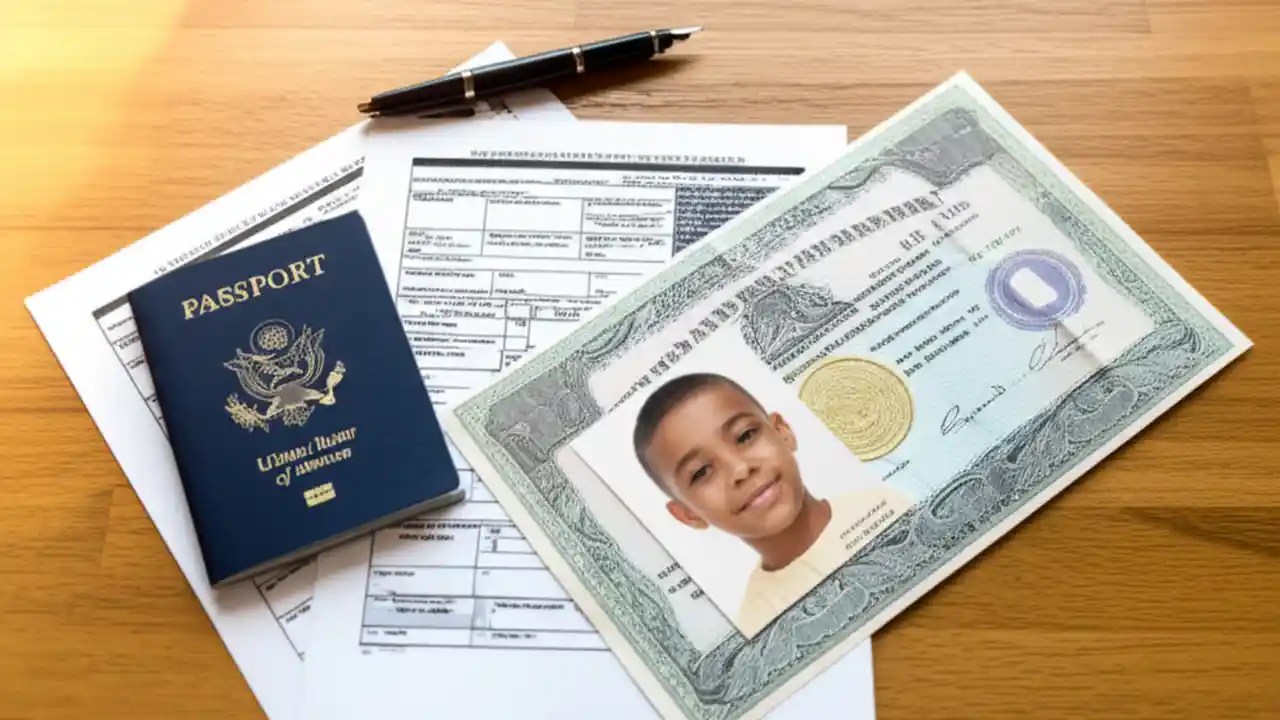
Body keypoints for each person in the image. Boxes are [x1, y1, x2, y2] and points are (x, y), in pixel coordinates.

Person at [631, 372, 910, 633]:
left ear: (783, 433)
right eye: (701, 472)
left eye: (745, 436)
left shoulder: (893, 503)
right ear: (687, 514)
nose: (741, 470)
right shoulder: (761, 624)